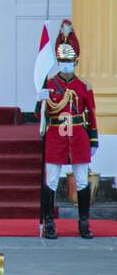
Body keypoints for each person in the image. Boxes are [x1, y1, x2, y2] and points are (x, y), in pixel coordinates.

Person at [40, 21, 98, 240]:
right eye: (62, 60)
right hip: (56, 136)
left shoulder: (84, 86)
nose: (66, 64)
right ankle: (49, 222)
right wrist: (41, 101)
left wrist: (93, 140)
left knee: (82, 180)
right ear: (58, 60)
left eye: (69, 61)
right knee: (51, 180)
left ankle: (84, 222)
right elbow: (41, 116)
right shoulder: (50, 83)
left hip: (78, 136)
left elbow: (91, 114)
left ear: (76, 61)